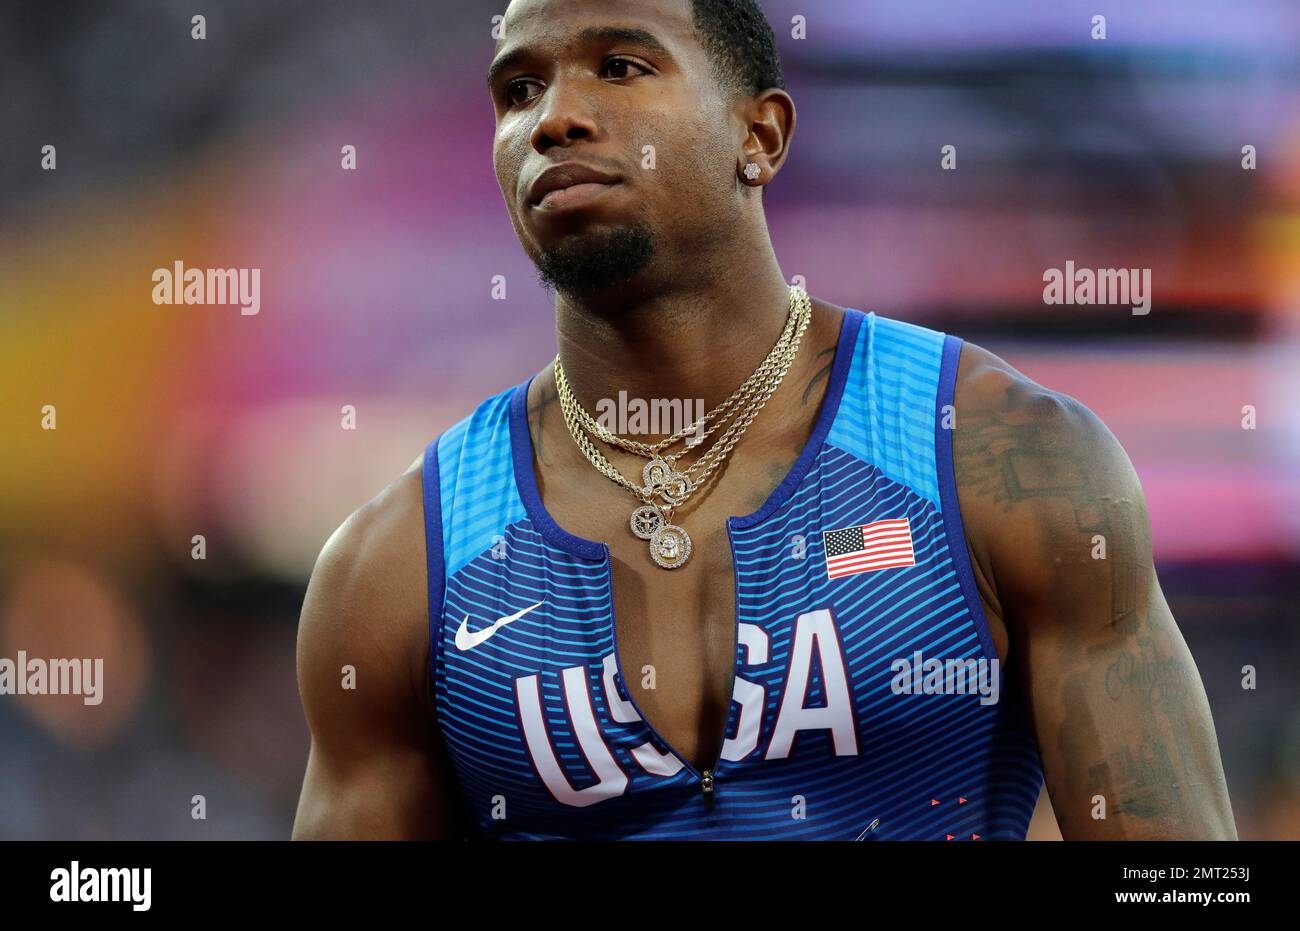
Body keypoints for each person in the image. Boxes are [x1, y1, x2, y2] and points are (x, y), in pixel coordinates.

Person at [292, 0, 1236, 840]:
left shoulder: (1000, 453)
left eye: (620, 66)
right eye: (519, 89)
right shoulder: (395, 566)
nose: (555, 118)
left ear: (762, 134)